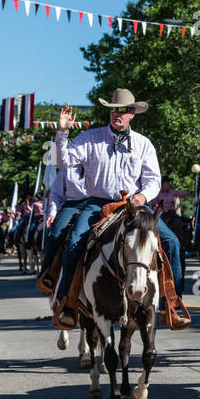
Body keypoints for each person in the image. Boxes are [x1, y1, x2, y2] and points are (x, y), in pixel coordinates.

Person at [51, 88, 180, 329]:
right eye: (113, 110)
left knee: (171, 241)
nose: (117, 114)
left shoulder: (143, 144)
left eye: (123, 110)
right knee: (74, 241)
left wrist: (142, 196)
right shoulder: (90, 138)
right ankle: (67, 302)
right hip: (98, 203)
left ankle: (172, 303)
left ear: (133, 113)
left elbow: (153, 179)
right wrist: (63, 131)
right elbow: (61, 161)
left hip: (134, 205)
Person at [42, 163, 86, 274]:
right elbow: (56, 194)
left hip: (96, 203)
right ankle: (47, 273)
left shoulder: (100, 163)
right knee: (55, 234)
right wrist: (52, 212)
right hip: (72, 204)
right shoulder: (65, 168)